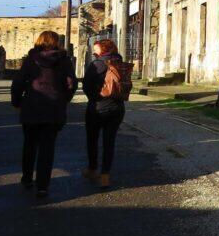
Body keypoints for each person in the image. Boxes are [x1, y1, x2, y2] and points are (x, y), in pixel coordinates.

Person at [10, 30, 76, 199]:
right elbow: (71, 84)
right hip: (54, 109)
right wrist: (64, 99)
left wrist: (17, 102)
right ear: (56, 43)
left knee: (29, 144)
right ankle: (42, 186)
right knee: (47, 148)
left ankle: (26, 178)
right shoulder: (64, 61)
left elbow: (18, 82)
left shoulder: (31, 59)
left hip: (31, 107)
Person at [82, 38, 131, 189]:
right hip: (117, 108)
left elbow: (86, 87)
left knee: (93, 139)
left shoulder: (96, 64)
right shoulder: (120, 63)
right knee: (109, 142)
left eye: (96, 48)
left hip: (98, 107)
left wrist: (94, 98)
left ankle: (92, 169)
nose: (94, 51)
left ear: (103, 49)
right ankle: (105, 175)